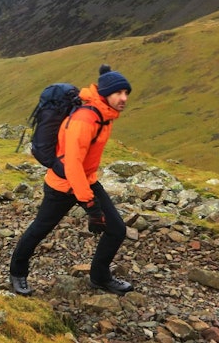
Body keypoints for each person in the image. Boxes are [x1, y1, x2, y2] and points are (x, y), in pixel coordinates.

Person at [9, 66, 133, 296]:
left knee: (116, 229)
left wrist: (90, 197)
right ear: (105, 93)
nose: (124, 98)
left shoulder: (105, 116)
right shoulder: (85, 119)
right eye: (118, 93)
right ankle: (17, 273)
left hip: (86, 180)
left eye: (126, 93)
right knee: (40, 229)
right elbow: (72, 164)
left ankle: (100, 277)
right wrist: (90, 205)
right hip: (62, 185)